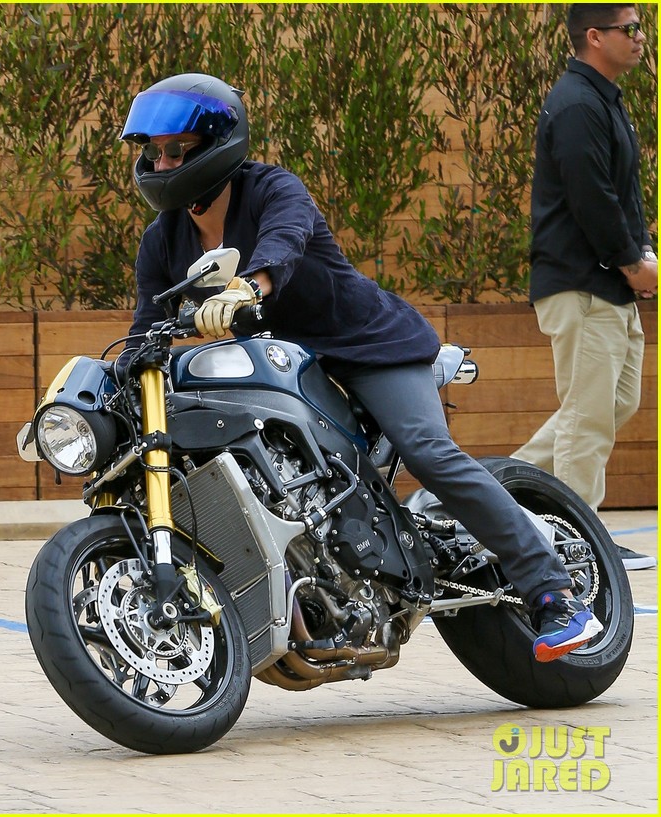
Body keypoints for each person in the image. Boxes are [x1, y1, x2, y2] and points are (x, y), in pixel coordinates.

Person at [118, 72, 601, 662]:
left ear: (218, 146)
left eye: (177, 150)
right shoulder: (162, 241)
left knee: (428, 452)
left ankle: (554, 594)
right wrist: (118, 375)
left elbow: (284, 244)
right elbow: (146, 327)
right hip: (282, 368)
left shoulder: (272, 190)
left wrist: (247, 287)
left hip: (367, 347)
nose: (163, 164)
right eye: (154, 153)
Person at [511, 4, 657, 571]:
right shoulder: (576, 103)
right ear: (594, 36)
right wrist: (631, 263)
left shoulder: (603, 101)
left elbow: (623, 194)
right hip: (582, 283)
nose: (641, 38)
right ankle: (581, 541)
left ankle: (492, 491)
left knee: (611, 404)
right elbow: (590, 195)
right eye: (631, 29)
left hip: (607, 284)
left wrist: (641, 254)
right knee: (589, 417)